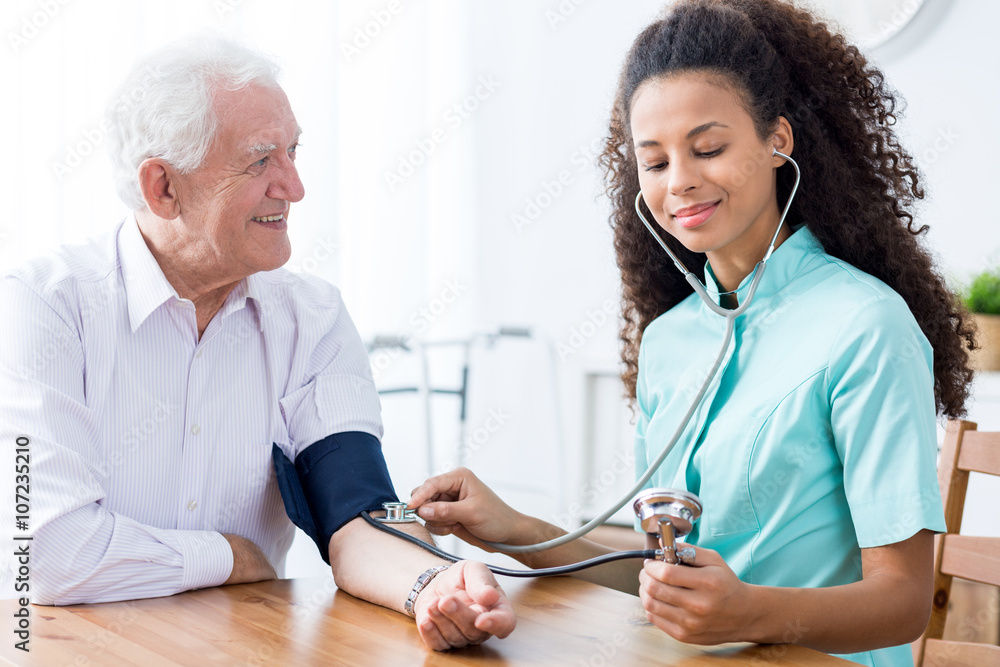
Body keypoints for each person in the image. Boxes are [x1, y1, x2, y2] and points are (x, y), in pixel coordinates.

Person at [407, 1, 976, 664]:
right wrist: (514, 530)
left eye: (708, 148)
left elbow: (902, 599)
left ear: (777, 141)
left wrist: (752, 611)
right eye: (654, 162)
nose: (680, 181)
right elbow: (663, 581)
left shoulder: (865, 327)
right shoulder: (669, 340)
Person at [0, 37, 514, 652]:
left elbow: (358, 512)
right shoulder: (42, 305)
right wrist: (225, 556)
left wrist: (432, 584)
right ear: (163, 186)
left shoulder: (313, 318)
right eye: (260, 161)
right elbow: (46, 553)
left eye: (293, 152)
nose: (294, 187)